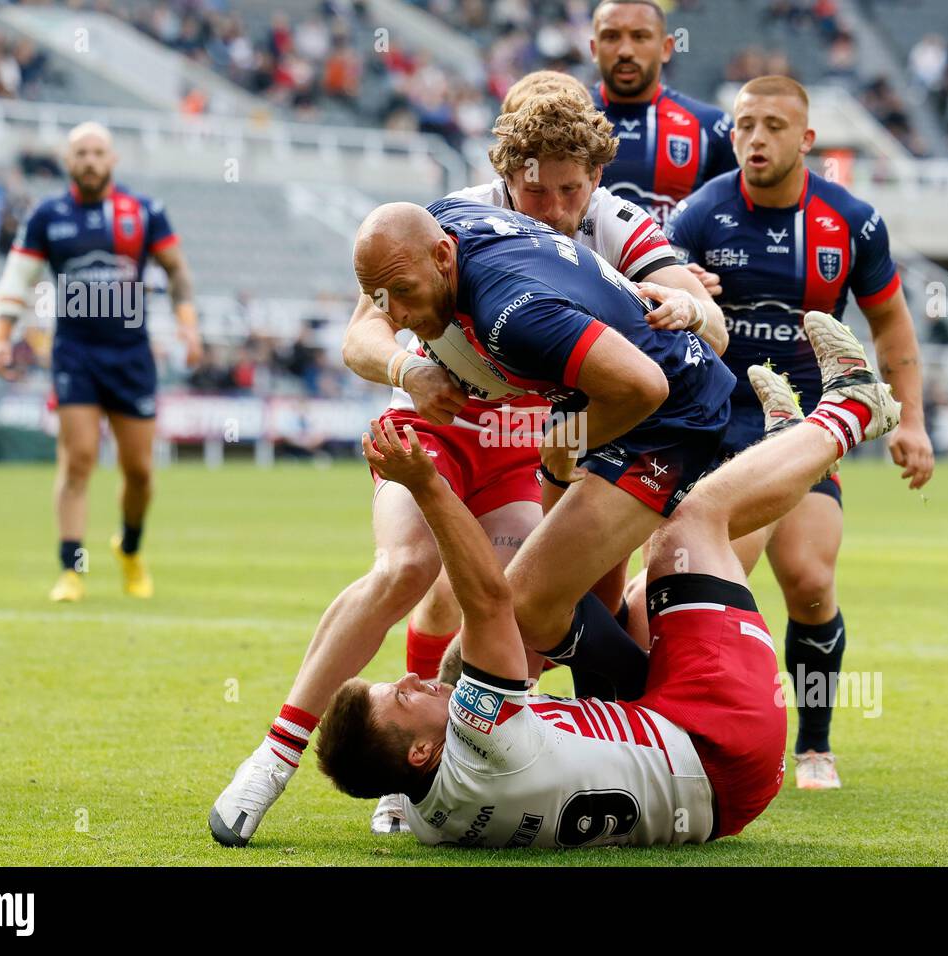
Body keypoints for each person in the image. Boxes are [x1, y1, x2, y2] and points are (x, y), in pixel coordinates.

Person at [209, 81, 727, 843]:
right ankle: (273, 759)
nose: (550, 207)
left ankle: (424, 765)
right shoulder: (451, 218)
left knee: (522, 607)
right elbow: (364, 333)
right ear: (507, 172)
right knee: (408, 569)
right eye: (534, 188)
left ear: (594, 180)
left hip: (543, 434)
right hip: (448, 422)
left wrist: (692, 309)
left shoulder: (615, 223)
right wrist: (407, 370)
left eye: (568, 190)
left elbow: (696, 316)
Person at [316, 310, 901, 847]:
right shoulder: (477, 736)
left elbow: (473, 660)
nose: (409, 680)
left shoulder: (428, 817)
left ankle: (782, 453)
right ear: (422, 751)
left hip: (708, 781)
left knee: (658, 589)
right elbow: (491, 600)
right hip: (717, 738)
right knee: (683, 529)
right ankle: (851, 410)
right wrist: (425, 484)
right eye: (399, 696)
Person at [652, 75, 935, 790]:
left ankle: (814, 745)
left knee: (809, 583)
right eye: (745, 124)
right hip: (719, 427)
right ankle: (671, 730)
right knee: (712, 577)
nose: (755, 138)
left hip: (809, 427)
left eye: (773, 125)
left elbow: (892, 322)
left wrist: (914, 423)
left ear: (805, 140)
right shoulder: (699, 214)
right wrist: (680, 286)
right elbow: (646, 289)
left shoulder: (852, 222)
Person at [0, 122, 202, 602]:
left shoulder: (145, 212)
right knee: (79, 458)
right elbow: (18, 277)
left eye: (97, 152)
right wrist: (1, 336)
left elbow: (177, 273)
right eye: (80, 152)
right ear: (67, 161)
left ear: (112, 160)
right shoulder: (48, 214)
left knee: (140, 472)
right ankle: (71, 568)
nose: (89, 160)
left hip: (131, 356)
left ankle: (128, 548)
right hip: (75, 355)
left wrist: (188, 325)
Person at [589, 0, 738, 226]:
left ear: (666, 48)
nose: (626, 51)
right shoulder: (566, 119)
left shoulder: (711, 127)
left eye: (640, 37)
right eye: (611, 37)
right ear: (594, 49)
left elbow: (731, 221)